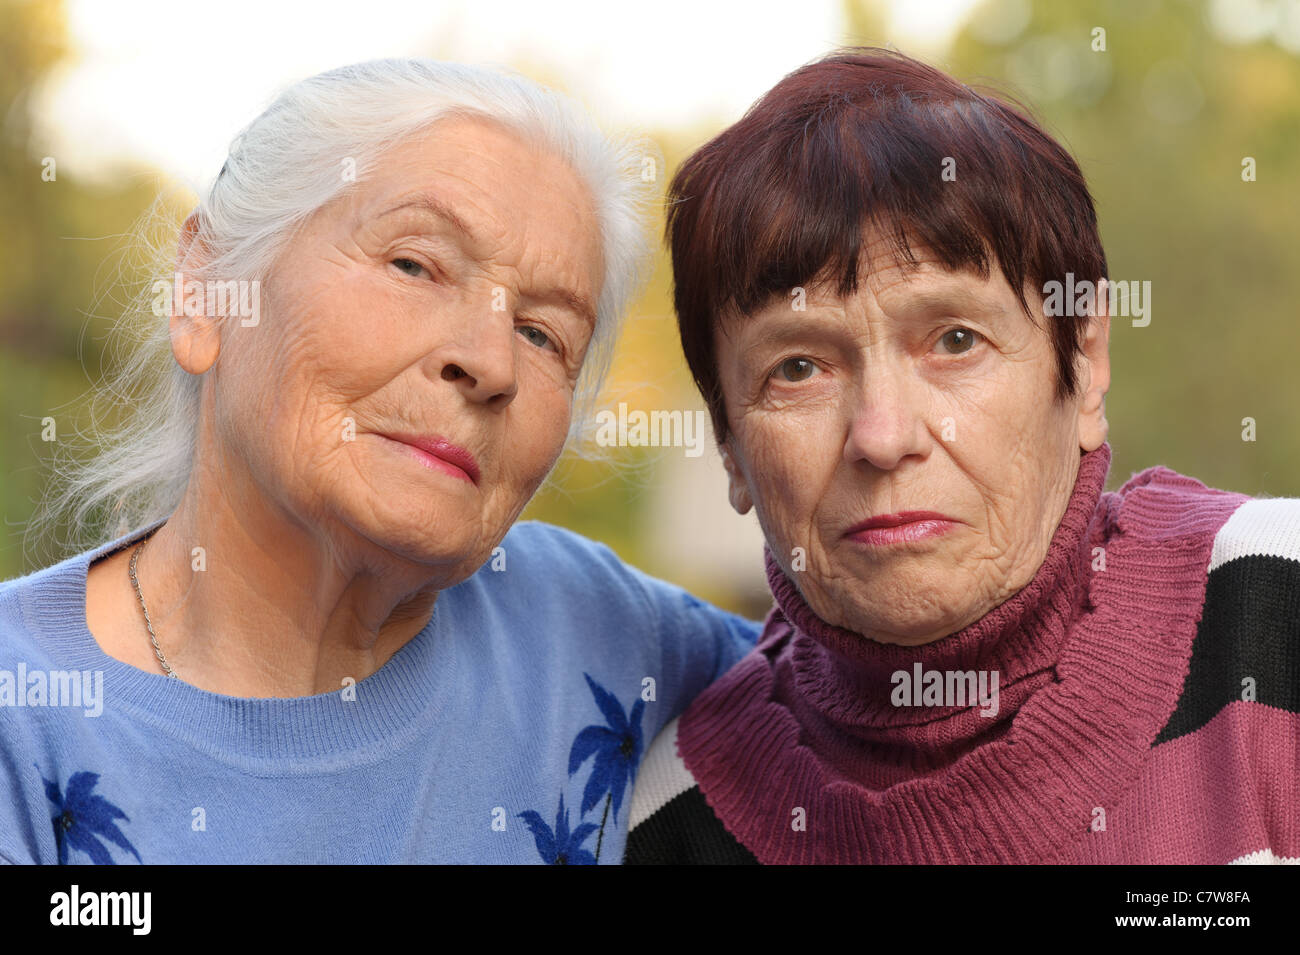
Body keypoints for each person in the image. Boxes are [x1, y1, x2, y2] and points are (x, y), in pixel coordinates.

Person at [0, 59, 757, 865]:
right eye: (414, 265)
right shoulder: (25, 717)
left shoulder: (598, 630)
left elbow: (867, 698)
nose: (492, 363)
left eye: (543, 334)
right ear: (206, 288)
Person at [625, 48, 1299, 864]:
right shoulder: (675, 819)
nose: (882, 435)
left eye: (954, 340)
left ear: (1083, 364)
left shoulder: (1275, 609)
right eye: (797, 367)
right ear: (730, 443)